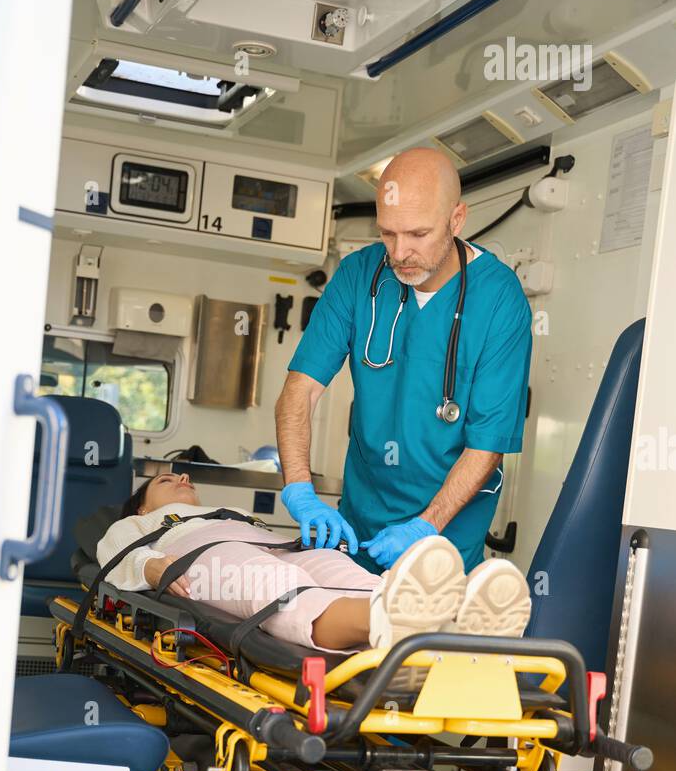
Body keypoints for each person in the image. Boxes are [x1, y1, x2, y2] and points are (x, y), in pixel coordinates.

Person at [275, 146, 532, 573]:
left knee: (420, 630)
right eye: (387, 234)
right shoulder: (359, 275)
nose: (399, 252)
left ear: (456, 220)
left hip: (445, 535)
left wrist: (424, 527)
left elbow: (489, 444)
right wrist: (299, 489)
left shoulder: (499, 299)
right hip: (358, 522)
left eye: (417, 235)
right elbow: (299, 389)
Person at [97, 471, 531, 653]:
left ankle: (457, 621)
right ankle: (389, 620)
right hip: (198, 554)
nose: (183, 479)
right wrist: (152, 568)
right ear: (141, 508)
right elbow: (113, 555)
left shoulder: (229, 511)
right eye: (167, 479)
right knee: (276, 583)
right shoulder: (143, 527)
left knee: (335, 566)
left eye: (185, 477)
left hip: (274, 543)